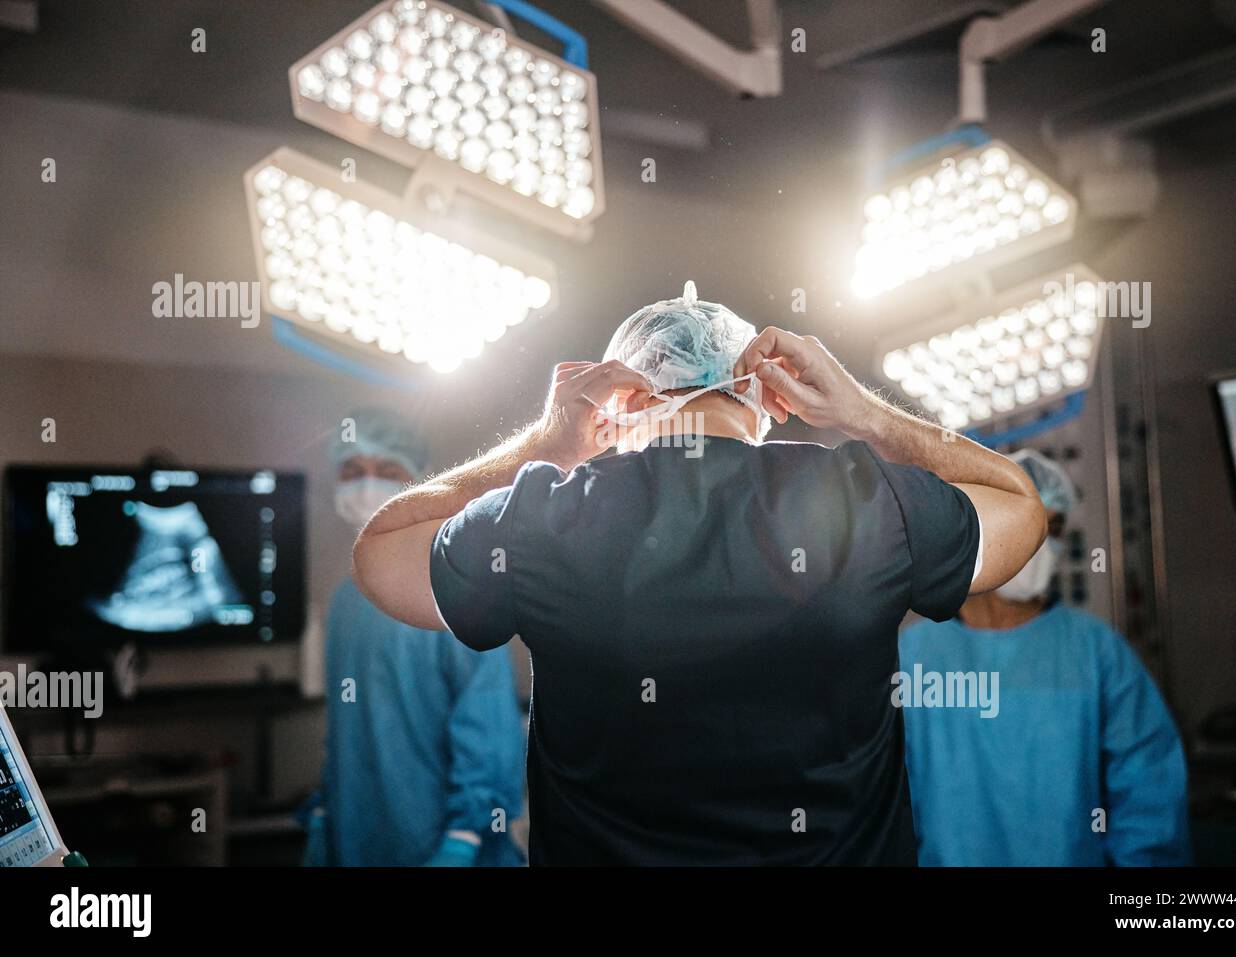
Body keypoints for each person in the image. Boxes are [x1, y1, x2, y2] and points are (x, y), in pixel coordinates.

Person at [351, 283, 1046, 865]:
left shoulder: (544, 518)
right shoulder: (860, 501)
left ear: (619, 403)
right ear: (767, 397)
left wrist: (547, 444)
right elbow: (1021, 503)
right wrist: (865, 415)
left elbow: (379, 551)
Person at [899, 449, 1191, 866]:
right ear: (979, 527)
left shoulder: (1095, 652)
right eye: (1027, 523)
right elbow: (877, 804)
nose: (1040, 544)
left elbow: (1150, 805)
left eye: (1052, 530)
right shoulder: (913, 658)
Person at [307, 407, 524, 867]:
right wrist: (326, 809)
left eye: (388, 471)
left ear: (419, 486)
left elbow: (487, 731)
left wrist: (464, 838)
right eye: (352, 471)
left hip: (443, 843)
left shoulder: (456, 590)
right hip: (358, 836)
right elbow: (348, 733)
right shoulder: (347, 599)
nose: (367, 485)